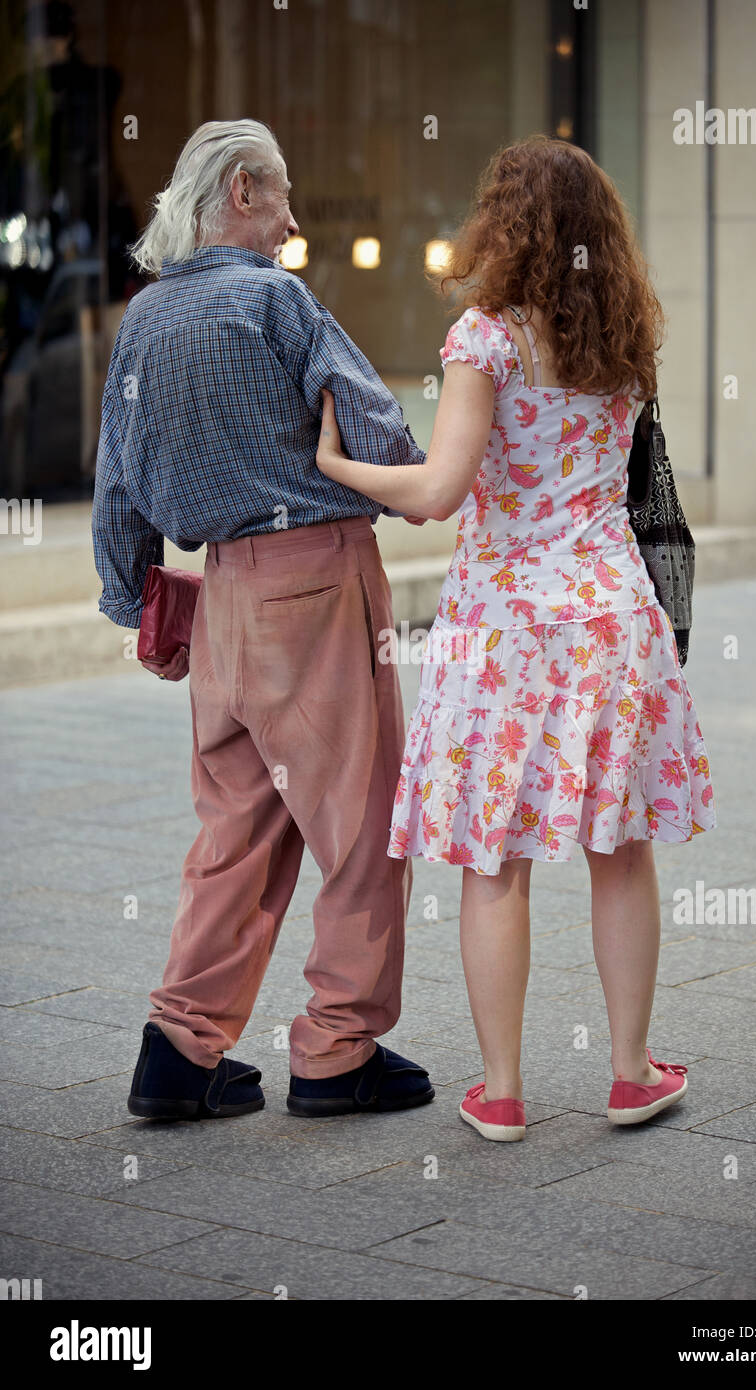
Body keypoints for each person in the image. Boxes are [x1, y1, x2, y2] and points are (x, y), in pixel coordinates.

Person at [315, 135, 717, 1142]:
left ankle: (499, 1091)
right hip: (610, 619)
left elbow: (439, 492)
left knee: (494, 859)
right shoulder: (623, 337)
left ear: (502, 223)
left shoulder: (484, 338)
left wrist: (339, 466)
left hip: (501, 629)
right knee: (618, 848)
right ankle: (629, 1072)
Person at [92, 119, 434, 1120]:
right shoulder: (276, 299)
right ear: (241, 191)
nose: (290, 223)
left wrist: (132, 598)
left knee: (232, 835)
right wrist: (400, 471)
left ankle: (178, 1050)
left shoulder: (142, 319)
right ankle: (335, 1049)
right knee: (366, 824)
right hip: (318, 589)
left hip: (220, 606)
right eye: (281, 198)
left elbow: (116, 485)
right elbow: (379, 428)